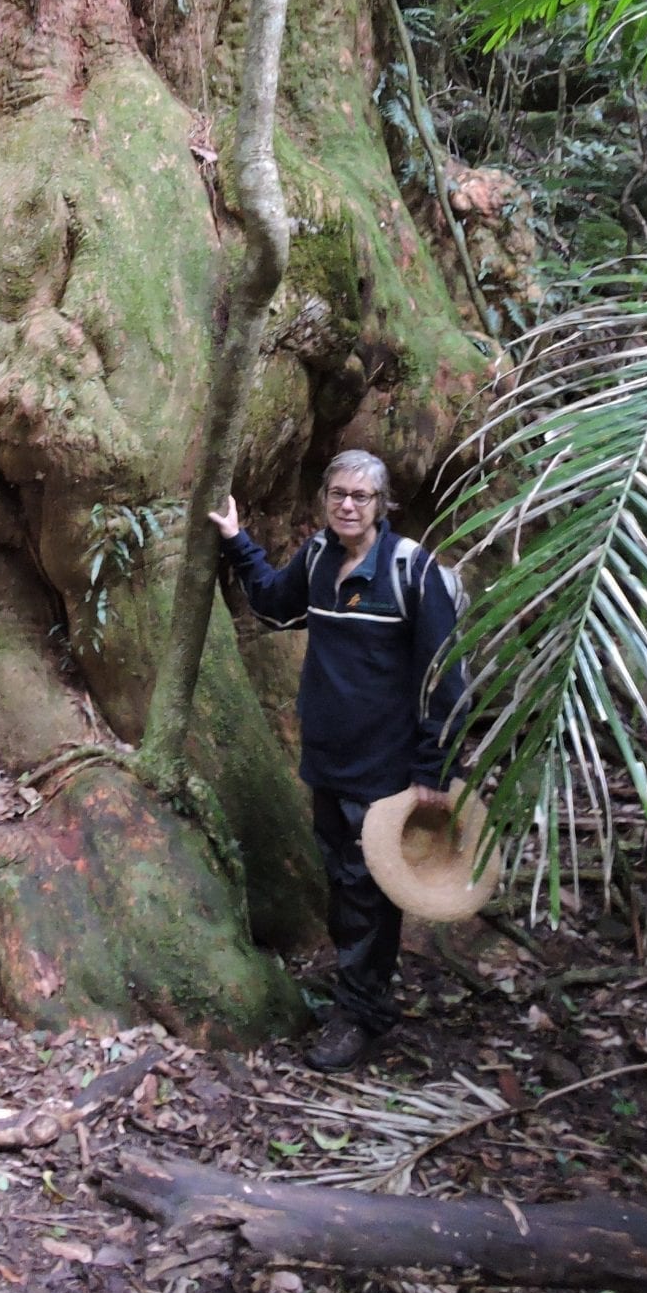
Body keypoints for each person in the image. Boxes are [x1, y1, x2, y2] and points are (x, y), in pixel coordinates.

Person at [210, 450, 462, 1072]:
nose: (347, 506)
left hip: (387, 769)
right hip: (328, 758)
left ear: (382, 505)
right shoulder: (321, 558)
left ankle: (361, 1015)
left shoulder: (414, 573)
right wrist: (237, 541)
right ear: (325, 499)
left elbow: (444, 677)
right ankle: (358, 998)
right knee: (343, 883)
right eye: (338, 495)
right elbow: (273, 603)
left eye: (361, 497)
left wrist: (432, 770)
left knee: (368, 891)